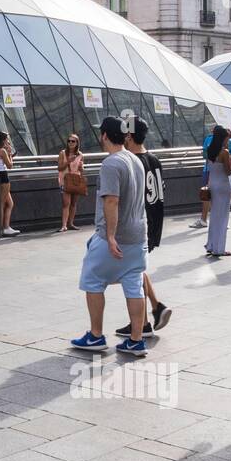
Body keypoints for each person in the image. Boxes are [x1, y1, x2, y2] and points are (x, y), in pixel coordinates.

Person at [69, 116, 150, 357]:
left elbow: (112, 200)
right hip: (138, 236)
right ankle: (136, 340)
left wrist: (111, 236)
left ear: (104, 135)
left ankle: (95, 336)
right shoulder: (135, 160)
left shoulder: (111, 164)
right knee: (134, 285)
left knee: (92, 280)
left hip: (113, 238)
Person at [123, 117, 172, 337]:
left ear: (130, 136)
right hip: (154, 221)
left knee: (133, 272)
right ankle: (151, 312)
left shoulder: (133, 162)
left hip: (139, 223)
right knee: (137, 269)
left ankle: (144, 322)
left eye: (125, 133)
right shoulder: (154, 159)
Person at [204, 125, 231, 258]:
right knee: (222, 218)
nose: (227, 141)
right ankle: (219, 248)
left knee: (214, 216)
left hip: (212, 184)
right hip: (222, 186)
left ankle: (211, 245)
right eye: (227, 138)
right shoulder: (224, 153)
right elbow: (228, 172)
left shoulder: (210, 150)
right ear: (223, 138)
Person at [0, 132, 19, 236]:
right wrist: (10, 154)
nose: (8, 142)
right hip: (3, 176)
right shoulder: (3, 151)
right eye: (7, 140)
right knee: (2, 203)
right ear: (3, 140)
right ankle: (1, 228)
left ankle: (5, 226)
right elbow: (9, 166)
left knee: (9, 203)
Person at [58, 133, 84, 233]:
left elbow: (81, 169)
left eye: (73, 141)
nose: (70, 143)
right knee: (66, 203)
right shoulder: (63, 153)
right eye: (69, 141)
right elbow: (59, 168)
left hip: (76, 179)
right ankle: (64, 225)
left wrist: (82, 167)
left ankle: (71, 223)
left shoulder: (80, 154)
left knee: (73, 203)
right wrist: (68, 161)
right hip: (65, 180)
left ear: (77, 143)